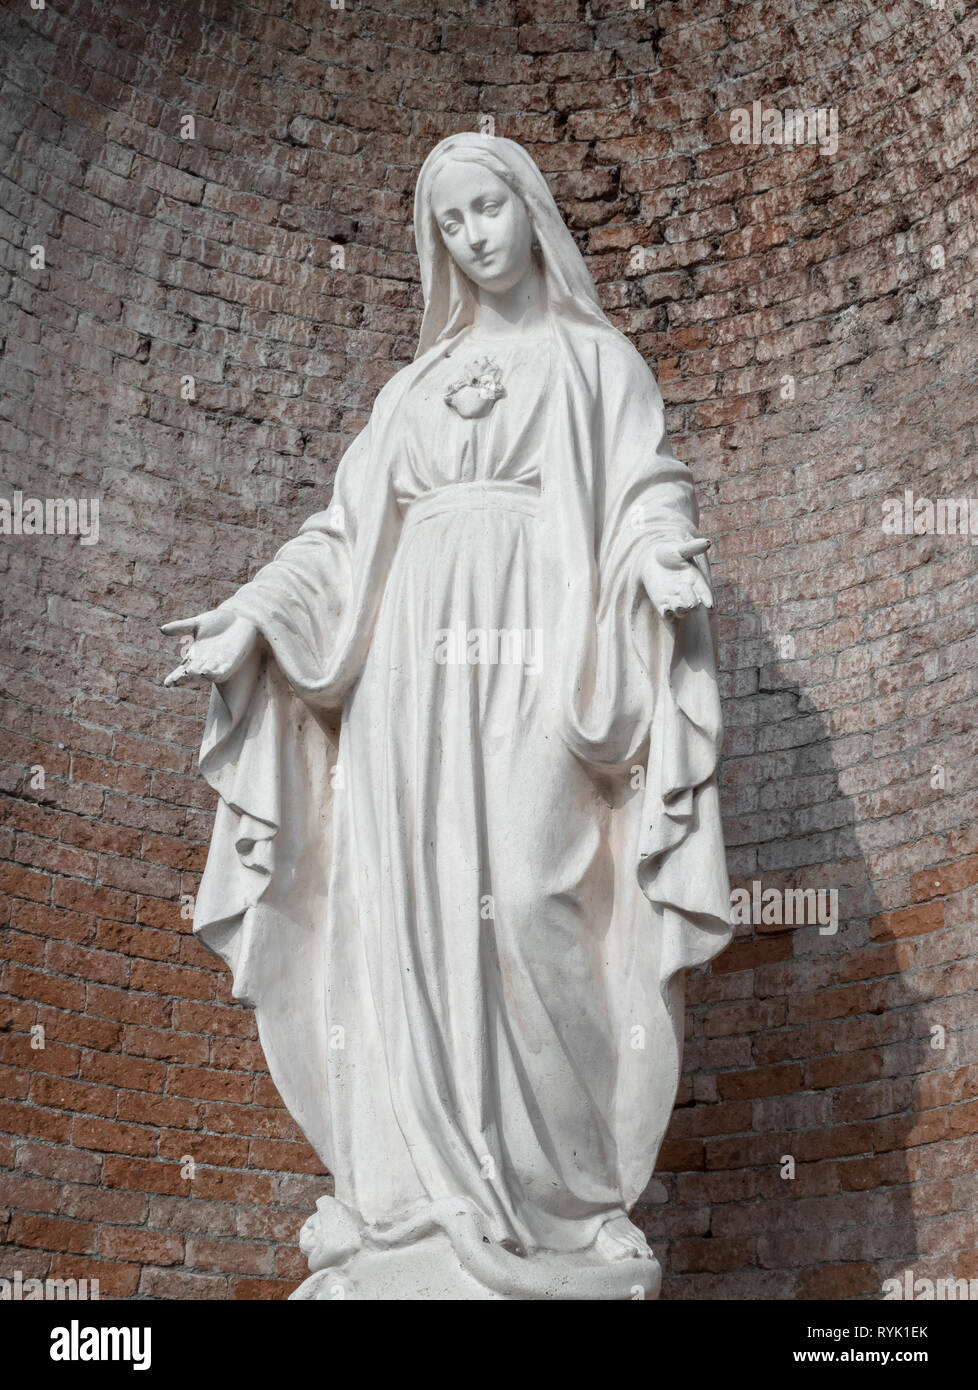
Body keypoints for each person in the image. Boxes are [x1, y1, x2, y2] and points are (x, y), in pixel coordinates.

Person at [162, 133, 731, 1300]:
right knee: (397, 911)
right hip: (409, 671)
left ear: (528, 210)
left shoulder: (594, 361)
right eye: (450, 222)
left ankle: (561, 1207)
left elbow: (644, 483)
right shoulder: (409, 390)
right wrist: (256, 618)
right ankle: (405, 1204)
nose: (473, 237)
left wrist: (663, 558)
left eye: (488, 209)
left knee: (529, 890)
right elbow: (339, 536)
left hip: (540, 643)